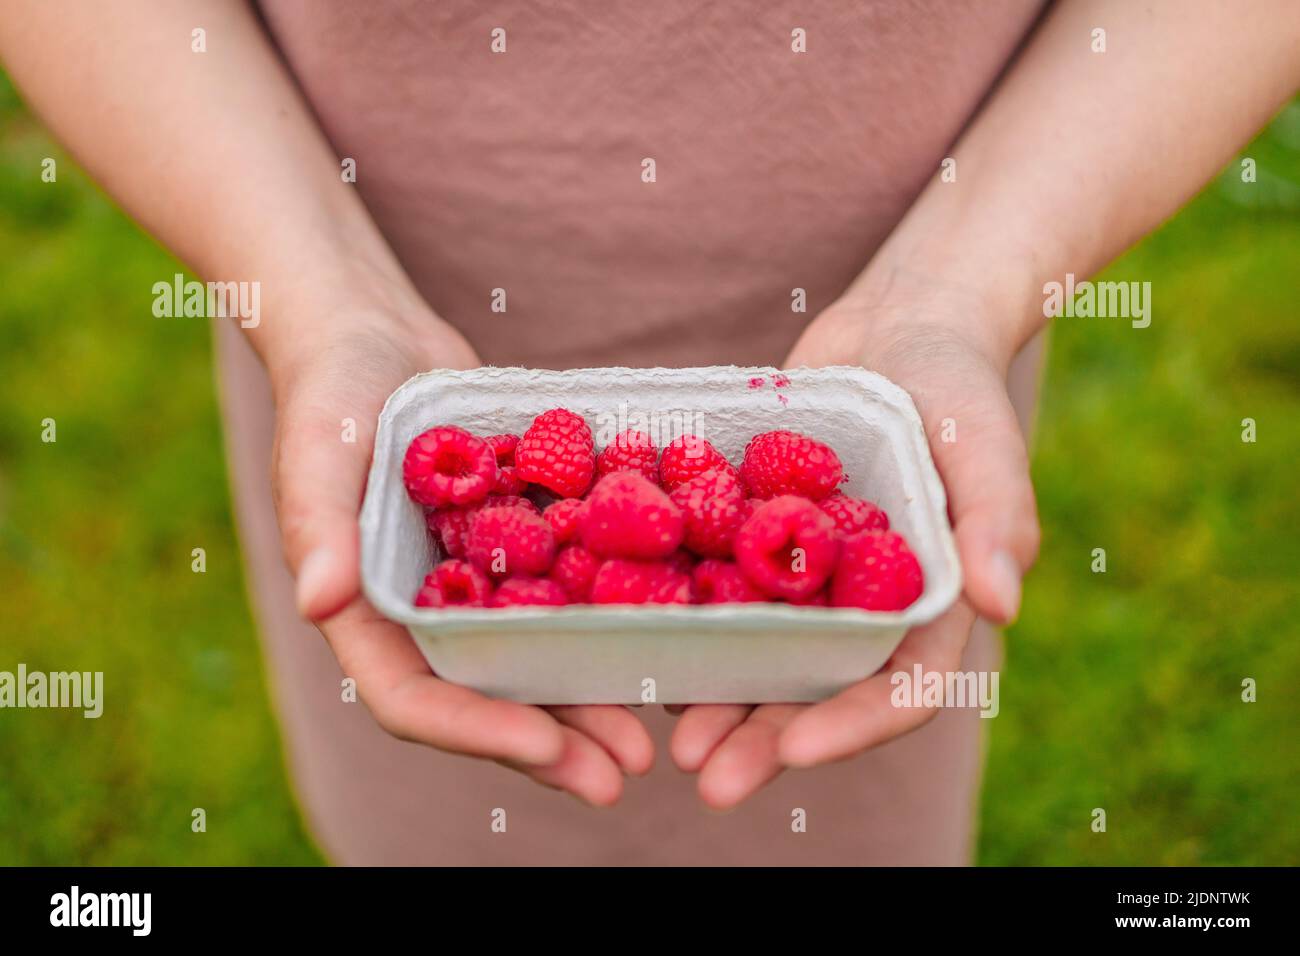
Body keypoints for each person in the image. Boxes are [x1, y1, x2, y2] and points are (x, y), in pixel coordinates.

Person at [3, 0, 1295, 865]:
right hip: (346, 315)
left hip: (912, 331)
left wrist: (963, 292)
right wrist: (310, 294)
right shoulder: (441, 469)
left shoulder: (841, 484)